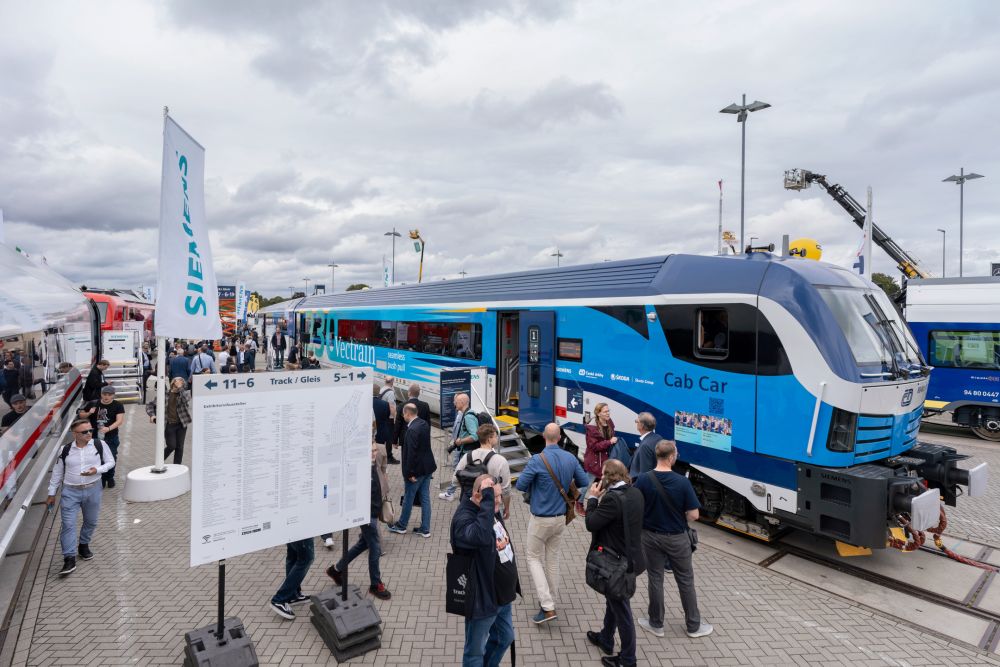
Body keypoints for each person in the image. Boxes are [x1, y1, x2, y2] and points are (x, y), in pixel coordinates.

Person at [634, 440, 713, 639]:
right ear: (671, 457)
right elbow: (694, 515)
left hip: (650, 537)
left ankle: (656, 624)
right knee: (685, 580)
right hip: (677, 538)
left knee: (655, 578)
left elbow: (636, 506)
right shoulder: (682, 482)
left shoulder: (643, 479)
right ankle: (693, 626)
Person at [514, 423, 589, 624]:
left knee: (533, 558)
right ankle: (550, 600)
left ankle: (547, 606)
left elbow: (520, 485)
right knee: (552, 559)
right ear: (560, 437)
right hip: (560, 518)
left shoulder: (538, 459)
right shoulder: (570, 458)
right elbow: (584, 481)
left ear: (543, 436)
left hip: (541, 519)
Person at [452, 474, 519, 667]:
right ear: (477, 495)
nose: (498, 500)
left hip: (502, 596)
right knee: (475, 652)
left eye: (498, 495)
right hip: (483, 599)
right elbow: (480, 537)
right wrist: (488, 501)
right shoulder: (463, 519)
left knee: (505, 637)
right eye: (492, 496)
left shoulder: (489, 509)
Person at [584, 459, 646, 667]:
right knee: (613, 599)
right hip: (632, 558)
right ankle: (606, 638)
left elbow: (591, 523)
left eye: (603, 474)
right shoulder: (635, 492)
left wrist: (593, 498)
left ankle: (628, 659)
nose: (600, 477)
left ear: (609, 477)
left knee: (622, 611)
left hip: (617, 564)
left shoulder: (612, 499)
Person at [46, 418, 115, 576]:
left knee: (91, 521)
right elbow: (57, 472)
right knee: (68, 525)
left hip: (93, 489)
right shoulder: (65, 450)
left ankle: (83, 545)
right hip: (70, 492)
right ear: (74, 433)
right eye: (84, 432)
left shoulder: (99, 444)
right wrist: (51, 493)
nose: (89, 433)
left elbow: (110, 462)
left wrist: (97, 470)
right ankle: (69, 558)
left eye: (90, 430)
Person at [326, 443, 391, 599]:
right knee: (375, 549)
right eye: (371, 451)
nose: (374, 453)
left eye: (375, 450)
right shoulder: (361, 469)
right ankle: (375, 584)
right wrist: (365, 516)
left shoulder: (372, 464)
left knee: (363, 544)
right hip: (367, 517)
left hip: (372, 513)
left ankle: (336, 569)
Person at [388, 403, 435, 538]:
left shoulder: (412, 430)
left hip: (417, 471)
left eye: (403, 414)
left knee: (409, 497)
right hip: (427, 468)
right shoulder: (423, 424)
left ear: (408, 414)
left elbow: (411, 454)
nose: (403, 416)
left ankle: (402, 525)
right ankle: (425, 529)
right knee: (425, 498)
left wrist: (409, 473)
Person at [453, 424, 511, 516]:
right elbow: (506, 490)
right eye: (496, 436)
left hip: (469, 506)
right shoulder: (501, 461)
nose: (497, 438)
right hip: (490, 507)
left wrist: (470, 489)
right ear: (489, 439)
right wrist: (506, 508)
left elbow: (455, 480)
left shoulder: (467, 456)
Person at [78, 386, 125, 488]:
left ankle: (110, 477)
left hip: (111, 436)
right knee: (98, 458)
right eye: (104, 394)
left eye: (109, 395)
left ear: (113, 395)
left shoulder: (118, 405)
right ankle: (102, 478)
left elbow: (119, 421)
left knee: (111, 457)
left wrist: (108, 428)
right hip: (95, 437)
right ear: (101, 394)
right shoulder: (94, 403)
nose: (106, 396)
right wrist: (89, 413)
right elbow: (81, 415)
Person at [440, 393, 481, 501]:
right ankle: (462, 495)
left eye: (456, 401)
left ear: (462, 402)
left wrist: (461, 441)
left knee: (461, 473)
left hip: (467, 453)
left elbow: (475, 436)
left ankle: (454, 495)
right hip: (466, 452)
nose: (454, 403)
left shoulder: (468, 417)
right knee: (463, 475)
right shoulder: (465, 414)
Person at [269, 538, 315, 620]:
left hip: (292, 530)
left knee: (293, 555)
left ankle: (293, 595)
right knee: (306, 559)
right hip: (301, 531)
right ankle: (279, 599)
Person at [150, 377, 192, 465]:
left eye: (181, 383)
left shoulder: (185, 393)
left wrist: (180, 388)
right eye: (178, 382)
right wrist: (152, 415)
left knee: (180, 447)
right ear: (173, 383)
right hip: (169, 425)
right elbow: (150, 405)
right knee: (171, 446)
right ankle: (159, 462)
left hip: (181, 425)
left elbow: (185, 399)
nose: (179, 384)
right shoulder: (164, 395)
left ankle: (177, 466)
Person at [392, 383, 430, 462]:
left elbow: (398, 424)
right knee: (419, 459)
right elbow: (428, 425)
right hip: (420, 438)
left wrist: (394, 441)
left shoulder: (402, 406)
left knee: (406, 459)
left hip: (405, 439)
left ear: (409, 393)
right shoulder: (425, 406)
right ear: (419, 393)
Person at [585, 402, 617, 483]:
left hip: (606, 459)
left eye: (608, 411)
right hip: (595, 462)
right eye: (605, 412)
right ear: (598, 414)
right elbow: (594, 447)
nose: (608, 413)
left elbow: (611, 435)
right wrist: (609, 442)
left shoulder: (609, 422)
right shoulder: (592, 428)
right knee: (586, 485)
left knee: (603, 485)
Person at [629, 412, 664, 480]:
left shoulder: (645, 446)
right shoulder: (658, 437)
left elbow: (645, 473)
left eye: (637, 421)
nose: (636, 423)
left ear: (641, 425)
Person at [372, 385, 396, 464]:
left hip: (370, 432)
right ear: (378, 392)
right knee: (379, 452)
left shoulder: (365, 403)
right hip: (381, 433)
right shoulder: (385, 404)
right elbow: (387, 417)